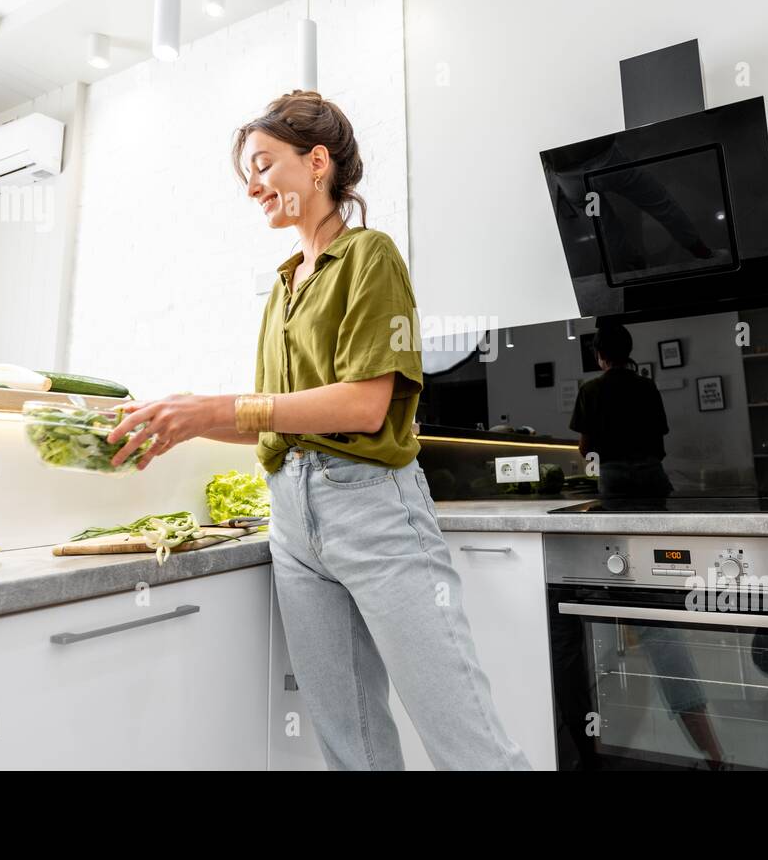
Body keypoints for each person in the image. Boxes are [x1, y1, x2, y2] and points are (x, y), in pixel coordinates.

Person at [105, 90, 529, 772]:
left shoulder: (370, 257)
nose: (253, 187)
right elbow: (280, 419)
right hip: (292, 519)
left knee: (464, 739)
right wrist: (189, 421)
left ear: (318, 162)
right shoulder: (282, 286)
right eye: (248, 173)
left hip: (374, 511)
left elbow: (363, 405)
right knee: (347, 741)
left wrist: (220, 407)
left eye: (264, 165)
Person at [569, 323, 673, 498]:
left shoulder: (590, 390)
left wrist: (595, 469)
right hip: (650, 473)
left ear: (599, 354)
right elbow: (658, 440)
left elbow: (585, 448)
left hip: (612, 476)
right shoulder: (647, 386)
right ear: (628, 351)